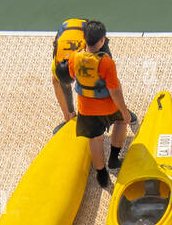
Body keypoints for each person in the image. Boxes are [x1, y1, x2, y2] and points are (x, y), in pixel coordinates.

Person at [54, 20, 133, 188]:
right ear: (102, 40)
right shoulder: (106, 63)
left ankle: (102, 174)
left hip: (86, 110)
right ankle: (113, 159)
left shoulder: (75, 58)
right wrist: (124, 111)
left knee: (95, 140)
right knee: (121, 121)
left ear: (85, 39)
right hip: (108, 106)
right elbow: (115, 91)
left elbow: (69, 78)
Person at [50, 17, 111, 120]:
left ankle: (117, 110)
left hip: (87, 29)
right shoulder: (57, 62)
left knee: (106, 74)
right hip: (66, 28)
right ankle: (68, 117)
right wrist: (70, 110)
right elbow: (63, 82)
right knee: (55, 80)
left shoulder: (87, 57)